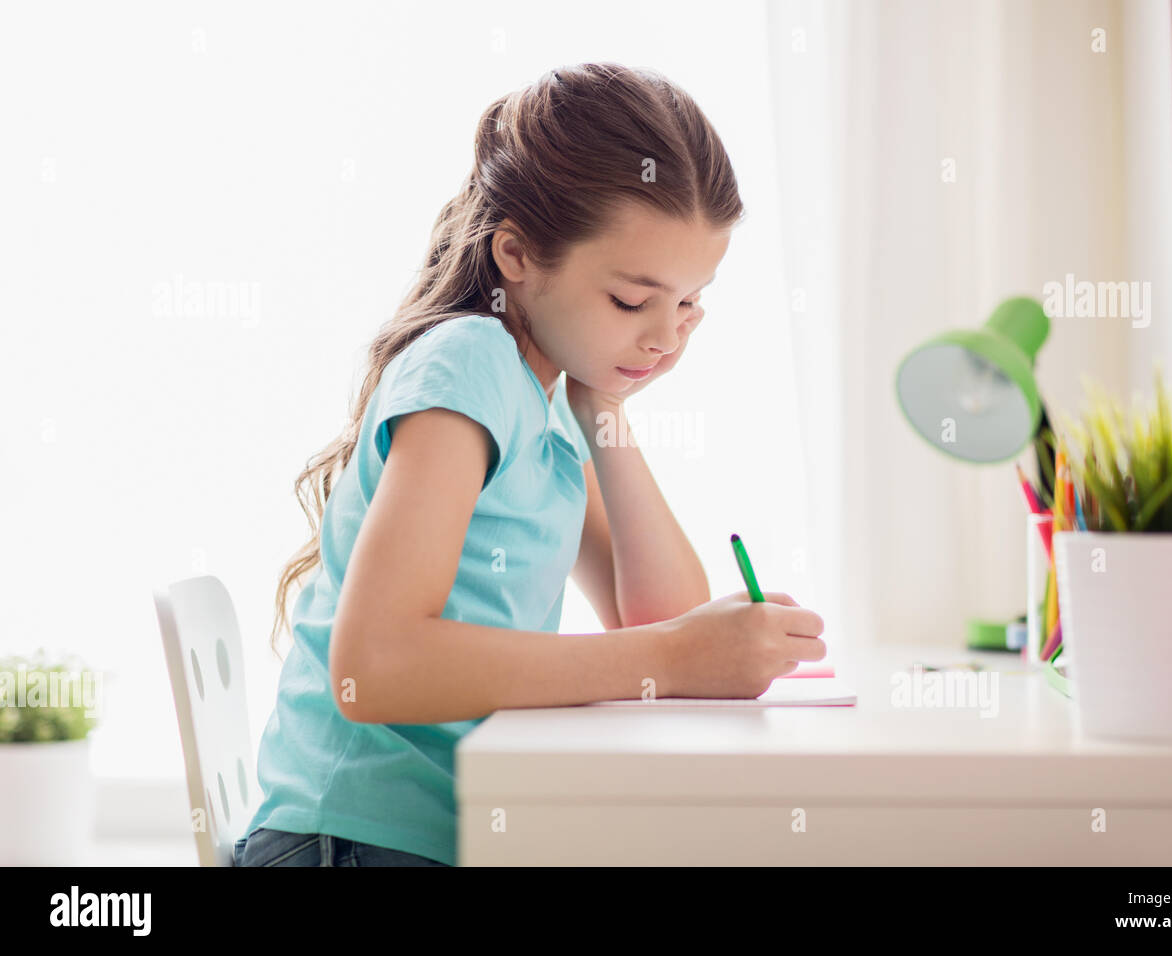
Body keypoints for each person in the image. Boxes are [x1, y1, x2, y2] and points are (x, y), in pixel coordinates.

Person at [235, 62, 826, 868]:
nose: (666, 337)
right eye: (632, 301)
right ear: (517, 255)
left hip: (439, 833)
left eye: (690, 302)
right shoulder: (470, 364)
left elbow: (662, 619)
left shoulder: (543, 400)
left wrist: (604, 409)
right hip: (354, 842)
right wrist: (676, 656)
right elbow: (373, 670)